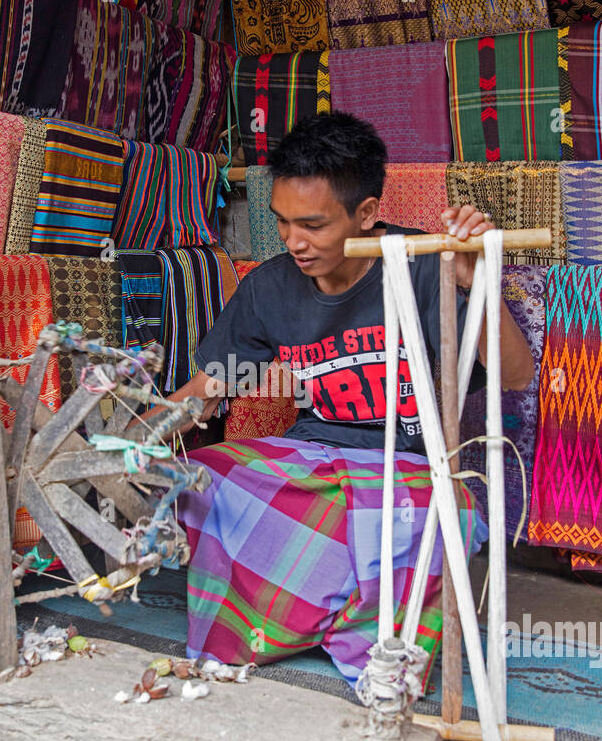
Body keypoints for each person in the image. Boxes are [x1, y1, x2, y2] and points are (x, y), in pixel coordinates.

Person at [164, 112, 533, 684]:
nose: (295, 242)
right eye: (283, 223)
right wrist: (137, 442)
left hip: (407, 463)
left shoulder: (426, 263)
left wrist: (474, 279)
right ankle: (314, 619)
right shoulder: (270, 286)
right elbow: (208, 390)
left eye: (313, 225)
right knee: (202, 476)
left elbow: (514, 374)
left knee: (446, 513)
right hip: (313, 459)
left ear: (365, 213)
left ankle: (339, 630)